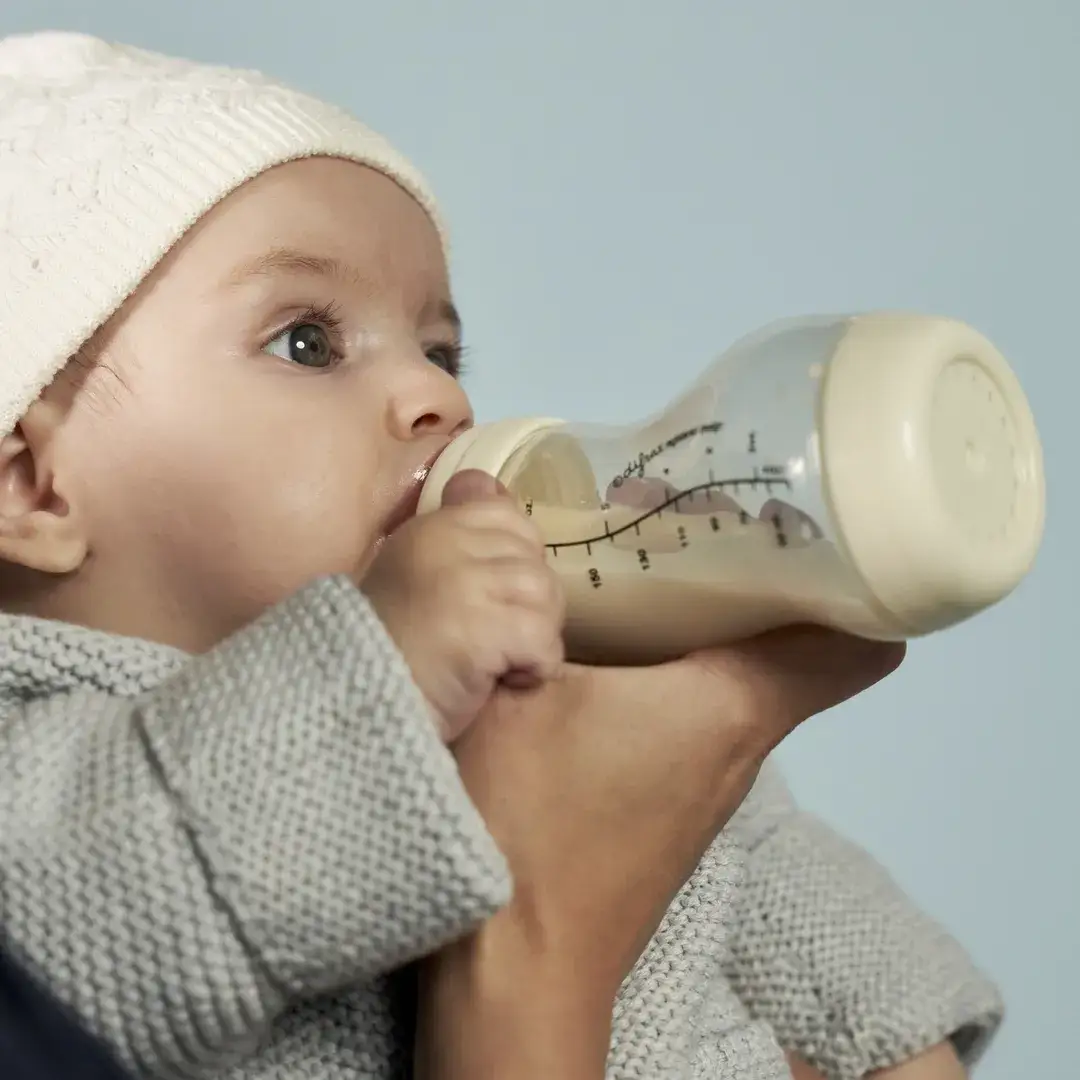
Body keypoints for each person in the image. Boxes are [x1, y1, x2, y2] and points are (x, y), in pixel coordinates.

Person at [0, 31, 1000, 1080]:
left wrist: (901, 1039)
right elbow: (89, 921)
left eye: (439, 348)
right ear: (31, 484)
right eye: (308, 341)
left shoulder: (544, 669)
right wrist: (374, 681)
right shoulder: (43, 757)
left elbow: (755, 855)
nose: (444, 398)